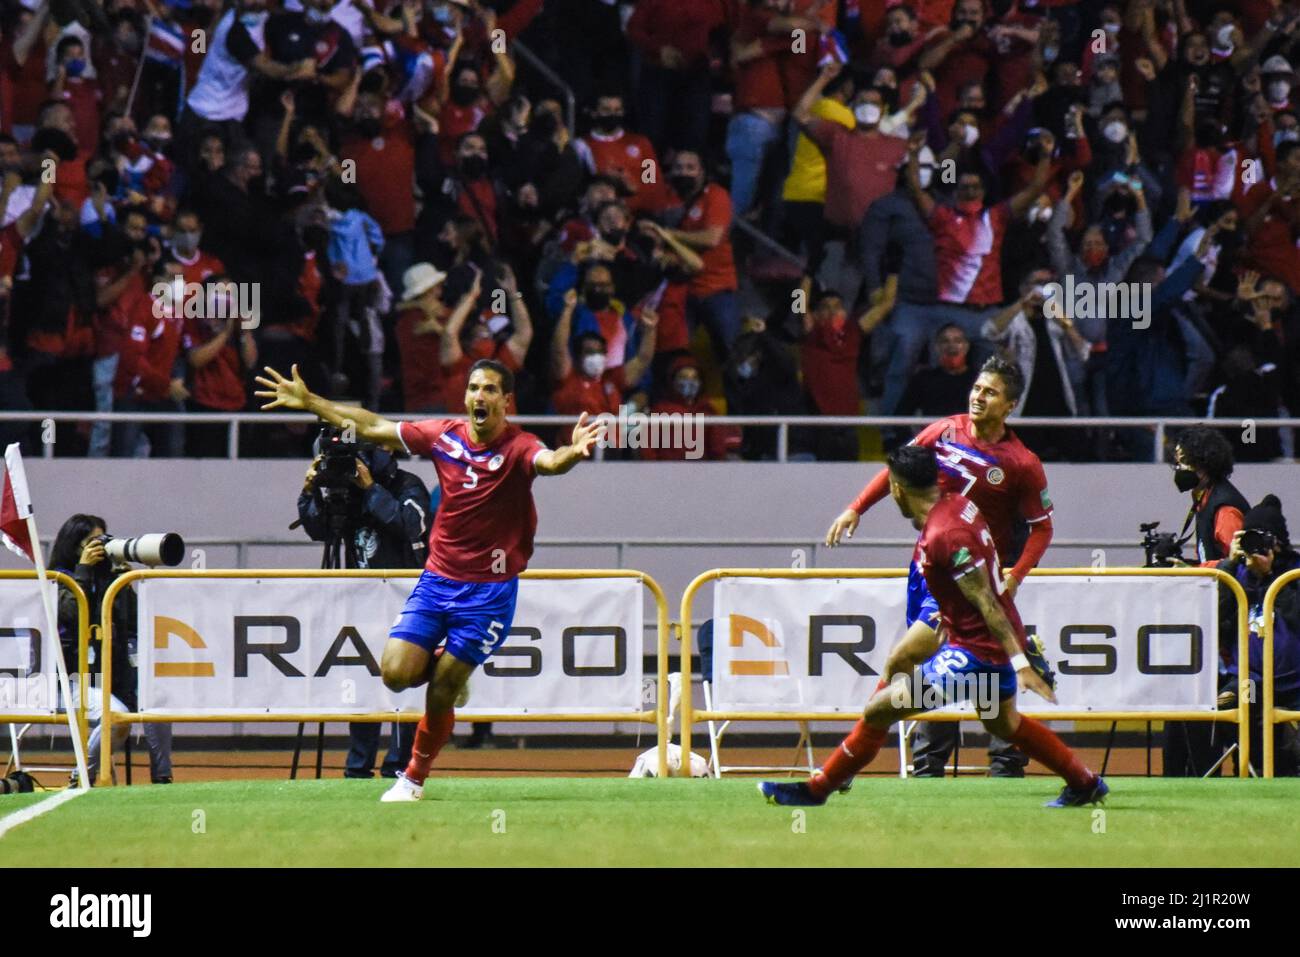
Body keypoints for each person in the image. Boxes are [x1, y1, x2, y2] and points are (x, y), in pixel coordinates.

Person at [255, 360, 603, 802]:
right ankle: (446, 663)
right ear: (466, 396)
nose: (481, 396)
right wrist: (311, 403)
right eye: (475, 387)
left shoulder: (519, 447)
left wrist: (571, 452)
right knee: (395, 676)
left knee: (441, 691)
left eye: (491, 390)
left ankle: (413, 778)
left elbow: (550, 462)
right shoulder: (444, 435)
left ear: (506, 401)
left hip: (489, 593)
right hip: (437, 581)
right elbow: (376, 426)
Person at [760, 445, 1106, 807]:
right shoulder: (958, 503)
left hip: (974, 658)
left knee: (879, 710)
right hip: (983, 646)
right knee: (1003, 724)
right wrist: (952, 607)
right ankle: (1084, 782)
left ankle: (818, 789)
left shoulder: (945, 534)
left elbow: (987, 601)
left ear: (896, 489)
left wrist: (1021, 664)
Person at [824, 356, 1054, 777]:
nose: (979, 397)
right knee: (946, 668)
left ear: (1010, 406)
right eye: (977, 388)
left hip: (972, 576)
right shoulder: (945, 431)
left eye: (991, 393)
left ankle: (853, 758)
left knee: (908, 656)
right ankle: (936, 763)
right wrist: (856, 508)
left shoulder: (1021, 462)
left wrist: (1015, 575)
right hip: (928, 566)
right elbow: (897, 470)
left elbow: (1042, 530)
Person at [297, 437, 434, 778]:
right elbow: (319, 530)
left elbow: (409, 524)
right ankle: (358, 766)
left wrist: (371, 488)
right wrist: (310, 491)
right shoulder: (347, 492)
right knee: (361, 682)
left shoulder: (408, 485)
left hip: (407, 601)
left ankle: (398, 766)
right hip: (361, 603)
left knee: (405, 680)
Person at [51, 513, 172, 786]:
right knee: (115, 717)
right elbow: (71, 614)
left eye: (104, 539)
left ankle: (163, 779)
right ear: (75, 546)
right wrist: (82, 572)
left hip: (112, 678)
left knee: (159, 703)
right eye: (93, 541)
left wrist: (125, 584)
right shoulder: (58, 580)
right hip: (70, 680)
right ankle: (81, 776)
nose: (101, 546)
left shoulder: (110, 581)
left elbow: (137, 623)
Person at [1217, 495, 1300, 776]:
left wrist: (1272, 578)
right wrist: (1230, 565)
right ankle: (1249, 770)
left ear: (1278, 541)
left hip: (1295, 682)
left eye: (1264, 539)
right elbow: (1214, 618)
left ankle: (1286, 768)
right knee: (1238, 702)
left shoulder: (1294, 574)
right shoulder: (1235, 574)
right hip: (1250, 679)